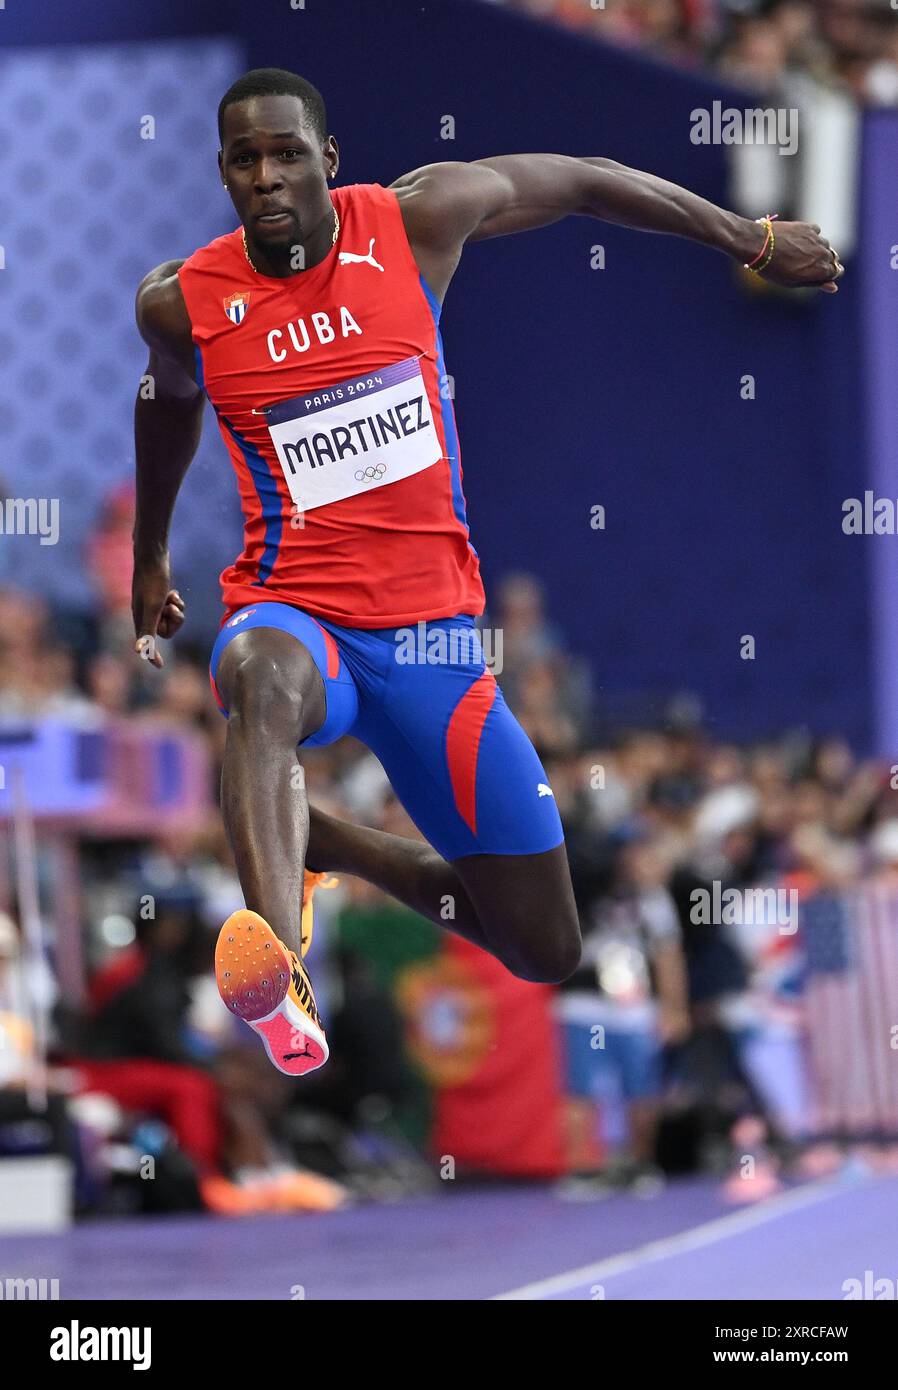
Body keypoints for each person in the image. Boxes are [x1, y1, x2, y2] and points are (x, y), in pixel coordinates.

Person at [131, 67, 843, 1078]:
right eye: (244, 160)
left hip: (432, 645)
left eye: (287, 153)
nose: (267, 176)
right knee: (258, 679)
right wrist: (150, 553)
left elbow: (588, 179)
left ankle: (338, 846)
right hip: (297, 618)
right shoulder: (184, 300)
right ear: (223, 173)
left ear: (325, 161)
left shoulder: (419, 221)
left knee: (543, 942)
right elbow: (166, 403)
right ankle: (280, 965)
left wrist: (748, 237)